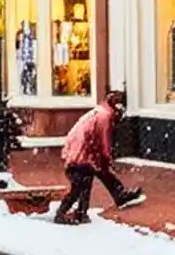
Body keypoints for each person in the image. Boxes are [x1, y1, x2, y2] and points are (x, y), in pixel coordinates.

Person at [53, 91, 144, 225]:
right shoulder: (104, 117)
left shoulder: (101, 111)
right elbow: (104, 143)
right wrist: (107, 159)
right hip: (80, 152)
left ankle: (84, 211)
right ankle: (61, 213)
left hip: (79, 149)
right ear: (118, 108)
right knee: (80, 184)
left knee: (88, 178)